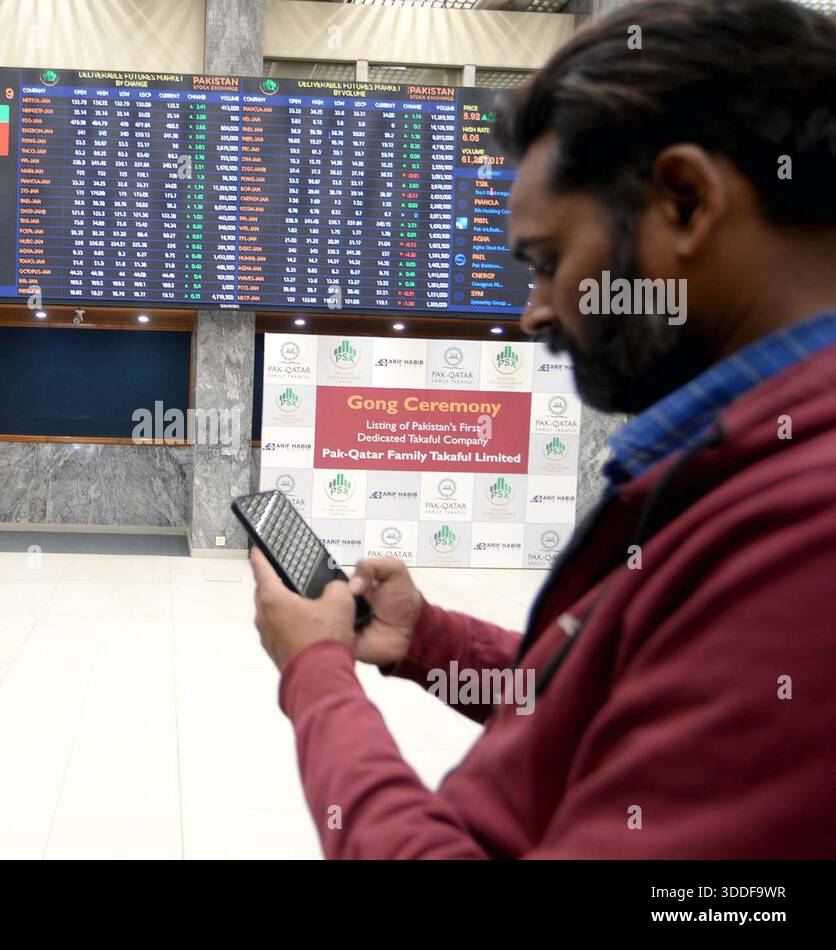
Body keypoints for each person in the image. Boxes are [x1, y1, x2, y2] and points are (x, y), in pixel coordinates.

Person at [249, 0, 836, 858]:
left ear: (685, 201)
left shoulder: (805, 534)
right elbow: (625, 705)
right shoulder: (751, 467)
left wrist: (317, 679)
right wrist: (432, 642)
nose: (533, 314)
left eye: (549, 263)